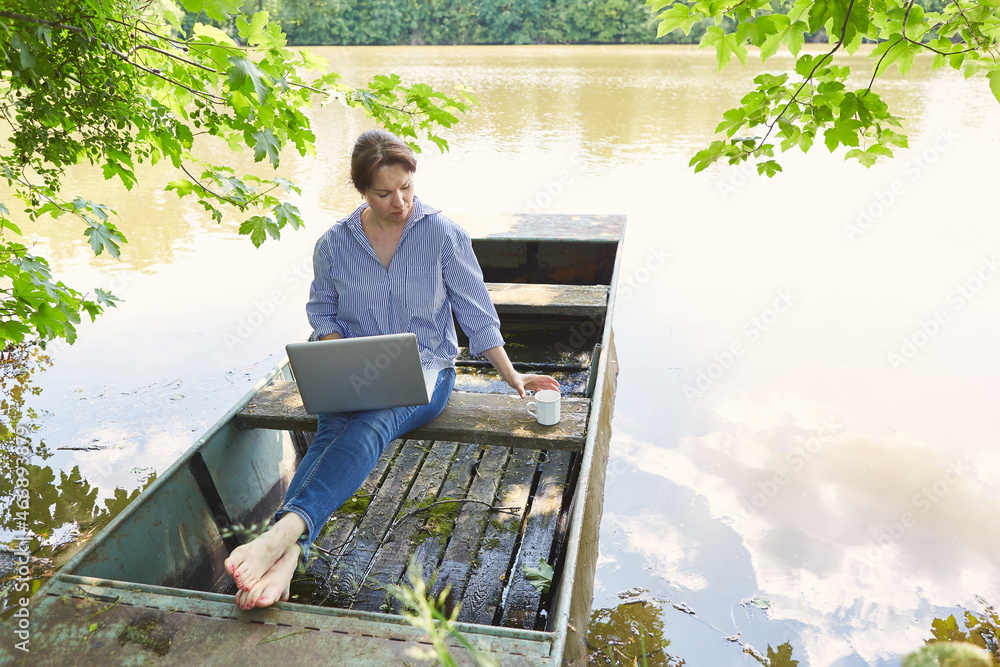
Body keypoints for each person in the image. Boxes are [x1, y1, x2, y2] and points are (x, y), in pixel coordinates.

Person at [224, 129, 560, 610]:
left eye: (406, 188)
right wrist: (338, 355)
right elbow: (322, 313)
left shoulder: (443, 235)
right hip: (355, 370)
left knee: (374, 422)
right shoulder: (334, 244)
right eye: (384, 193)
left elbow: (476, 312)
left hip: (427, 371)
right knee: (332, 428)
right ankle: (289, 554)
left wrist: (514, 377)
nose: (399, 201)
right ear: (362, 190)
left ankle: (277, 537)